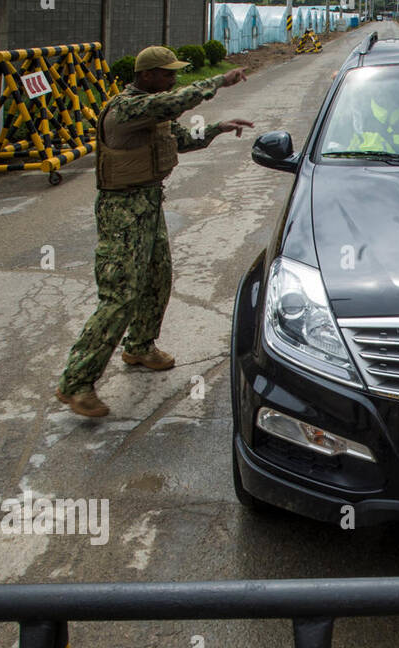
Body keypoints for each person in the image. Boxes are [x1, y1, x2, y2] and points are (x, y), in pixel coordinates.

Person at [55, 47, 252, 418]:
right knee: (120, 296)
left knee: (157, 279)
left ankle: (140, 346)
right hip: (123, 211)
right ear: (146, 76)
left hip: (147, 204)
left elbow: (178, 139)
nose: (173, 79)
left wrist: (217, 129)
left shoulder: (151, 108)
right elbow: (177, 102)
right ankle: (76, 383)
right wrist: (218, 83)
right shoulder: (128, 108)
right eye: (166, 74)